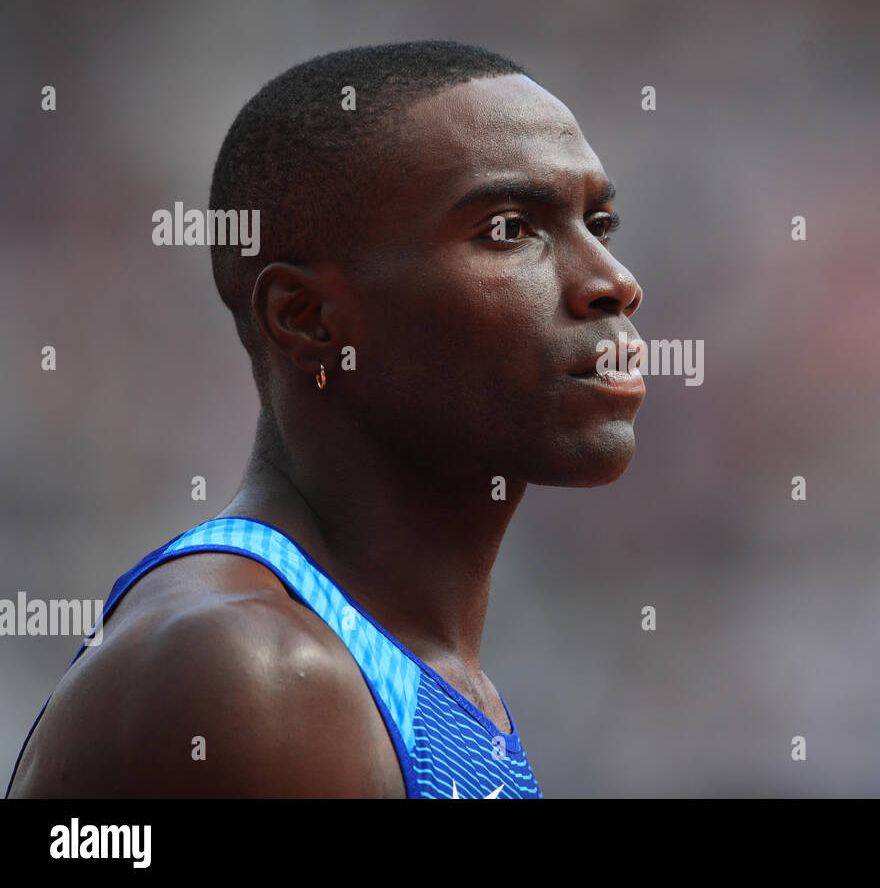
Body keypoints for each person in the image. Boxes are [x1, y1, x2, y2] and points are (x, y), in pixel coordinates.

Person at [7, 41, 646, 798]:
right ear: (306, 319)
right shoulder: (250, 672)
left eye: (598, 224)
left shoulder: (410, 673)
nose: (615, 283)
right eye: (508, 228)